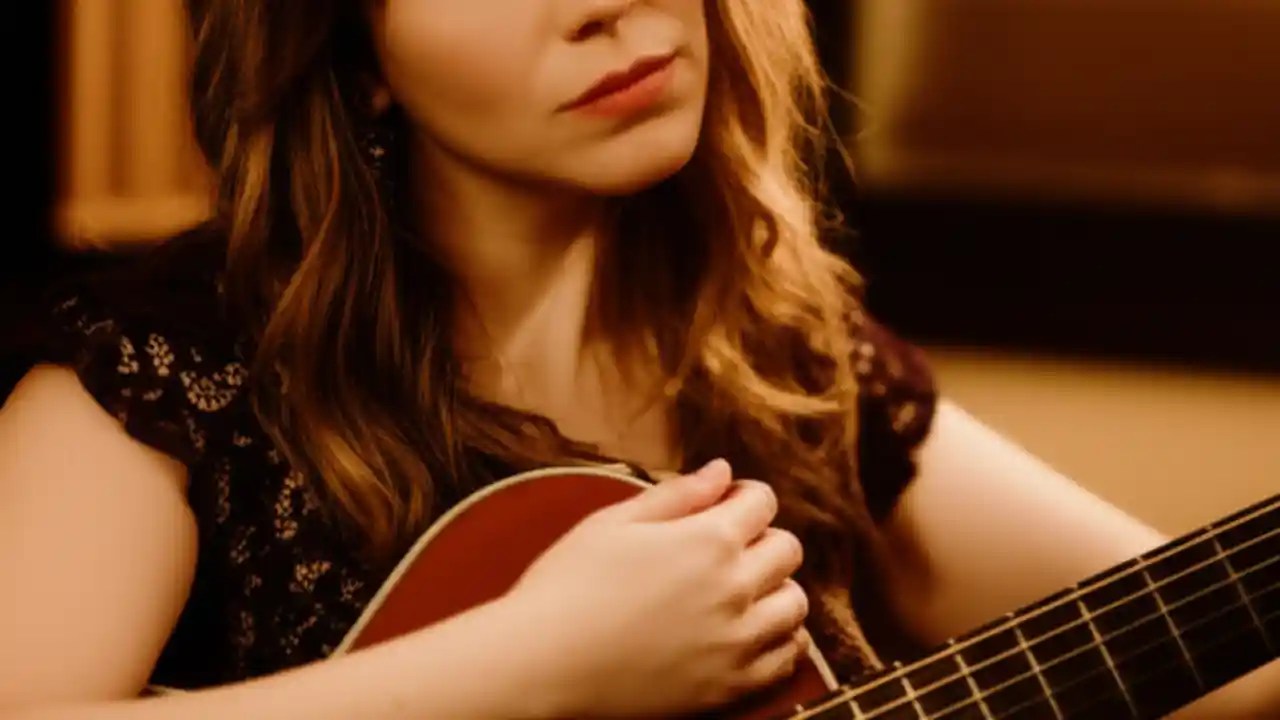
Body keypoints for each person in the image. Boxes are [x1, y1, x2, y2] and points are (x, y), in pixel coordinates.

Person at [1, 1, 1275, 717]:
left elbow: (1227, 651)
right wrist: (541, 663)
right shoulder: (163, 382)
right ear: (350, 55)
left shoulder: (784, 359)